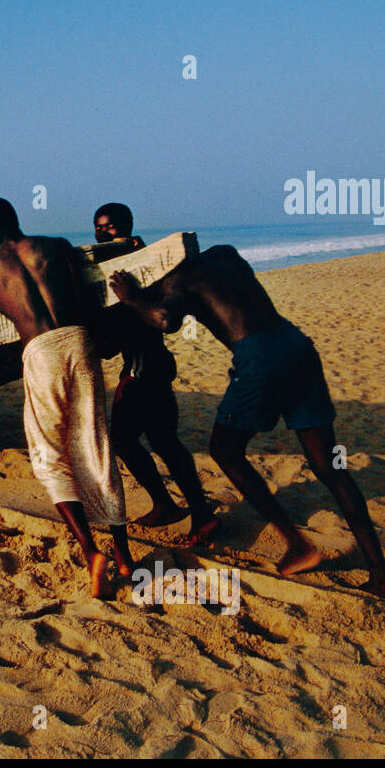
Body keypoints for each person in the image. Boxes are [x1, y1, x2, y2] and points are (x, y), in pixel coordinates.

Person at [109, 245, 385, 602]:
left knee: (225, 450)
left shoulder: (178, 278)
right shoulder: (224, 254)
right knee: (329, 466)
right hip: (295, 344)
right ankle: (382, 576)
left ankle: (297, 544)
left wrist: (131, 298)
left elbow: (166, 322)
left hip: (258, 355)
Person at [0, 197, 131, 598]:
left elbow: (12, 315)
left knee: (48, 455)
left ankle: (92, 552)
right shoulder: (56, 246)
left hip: (41, 352)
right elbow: (82, 299)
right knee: (96, 443)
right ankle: (124, 555)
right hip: (79, 342)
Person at [90, 204, 218, 540]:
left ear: (128, 228)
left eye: (110, 227)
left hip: (142, 371)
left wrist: (120, 304)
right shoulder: (126, 268)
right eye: (98, 229)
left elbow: (153, 323)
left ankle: (172, 506)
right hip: (150, 366)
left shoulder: (137, 270)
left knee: (126, 440)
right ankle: (193, 511)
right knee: (164, 441)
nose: (103, 233)